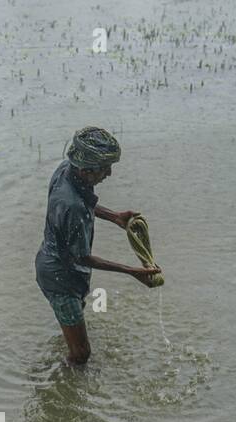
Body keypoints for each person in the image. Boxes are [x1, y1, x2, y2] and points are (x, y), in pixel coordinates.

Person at [34, 126, 161, 365]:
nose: (109, 173)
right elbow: (81, 257)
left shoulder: (65, 171)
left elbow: (83, 201)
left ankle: (67, 352)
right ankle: (58, 387)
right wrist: (132, 272)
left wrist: (115, 217)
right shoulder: (71, 206)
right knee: (82, 354)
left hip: (56, 264)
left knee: (75, 326)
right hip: (60, 277)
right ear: (86, 169)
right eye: (104, 168)